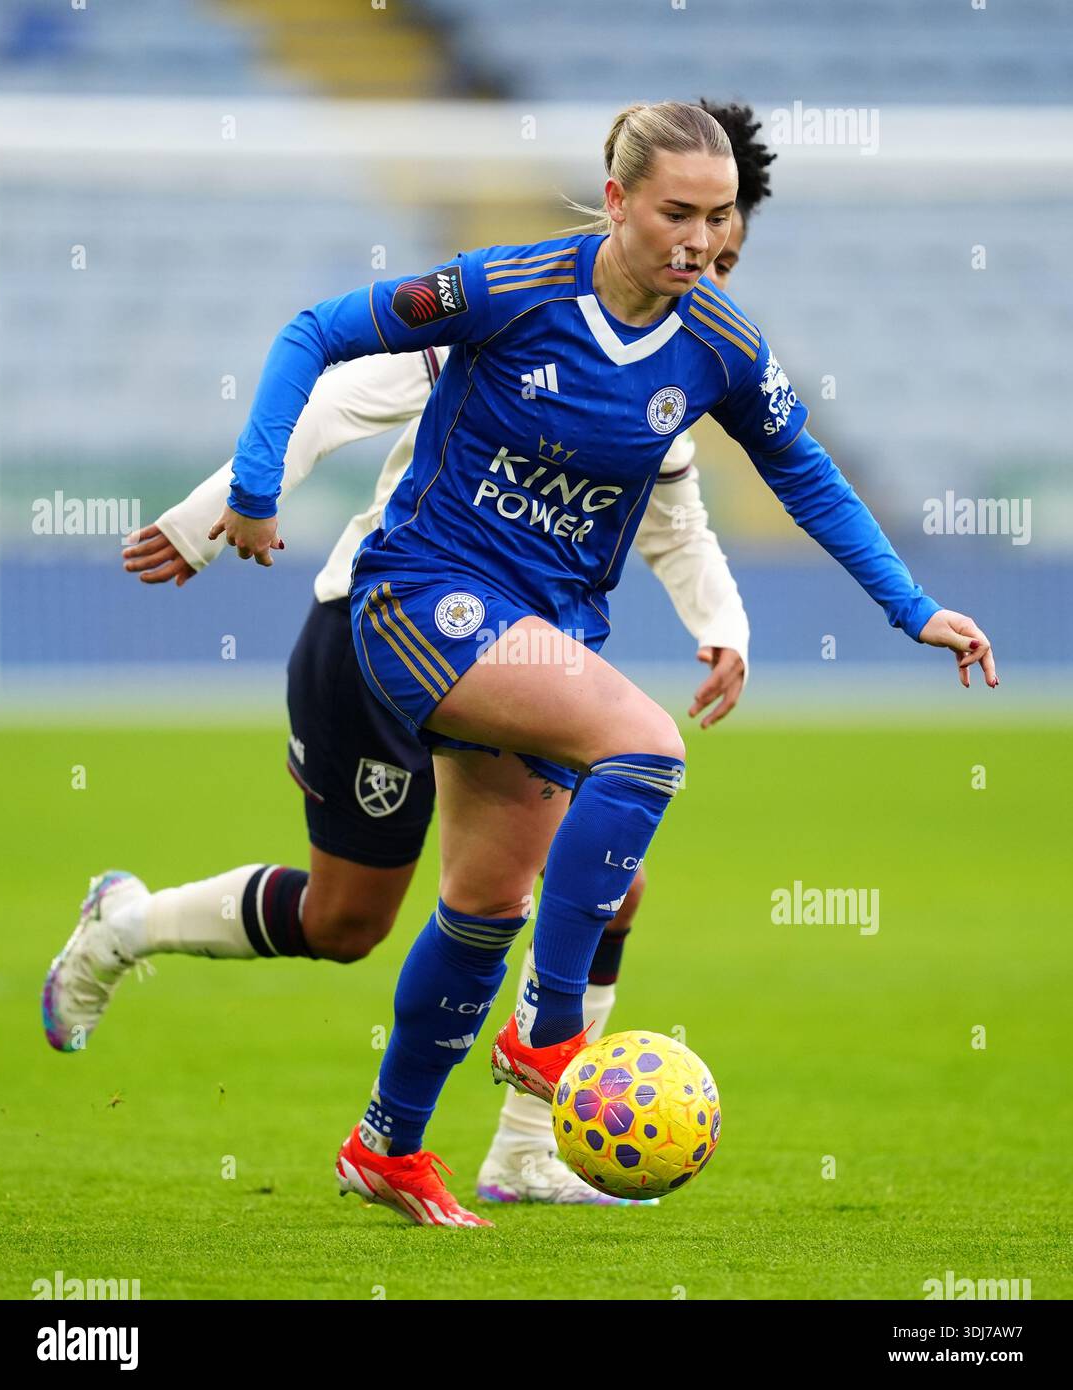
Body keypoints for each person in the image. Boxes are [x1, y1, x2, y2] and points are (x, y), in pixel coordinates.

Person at [81, 101, 1001, 1229]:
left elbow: (803, 476)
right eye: (678, 212)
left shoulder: (719, 347)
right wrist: (248, 492)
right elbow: (315, 335)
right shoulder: (509, 290)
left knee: (480, 903)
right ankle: (553, 1034)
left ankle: (391, 1145)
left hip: (542, 632)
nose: (702, 239)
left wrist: (913, 608)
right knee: (645, 748)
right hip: (416, 596)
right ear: (616, 201)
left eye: (722, 217)